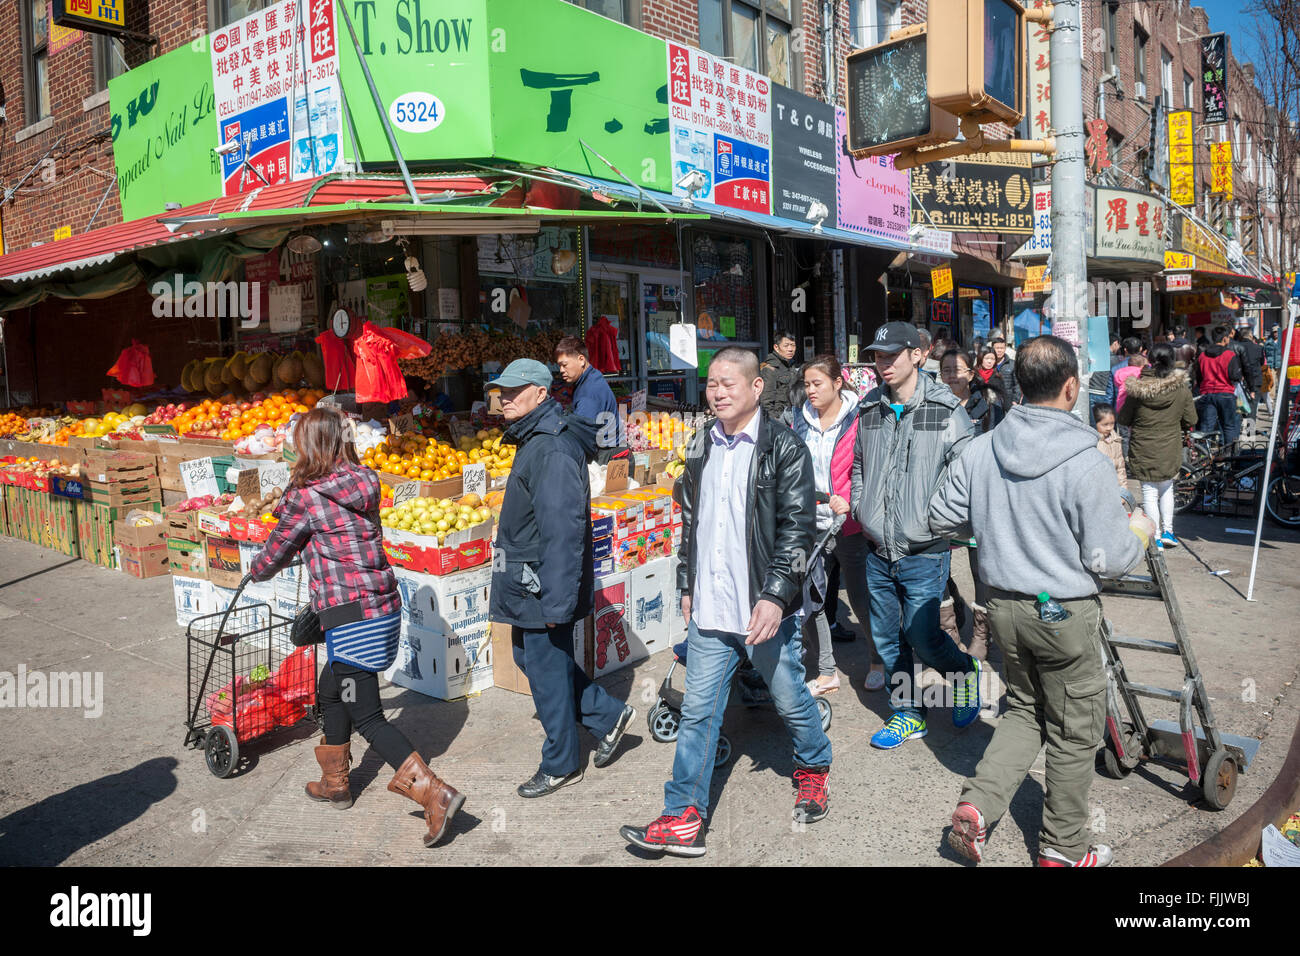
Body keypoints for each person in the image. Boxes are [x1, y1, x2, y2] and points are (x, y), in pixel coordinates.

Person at [930, 335, 1157, 867]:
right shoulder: (1086, 460)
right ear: (1072, 387)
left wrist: (992, 526)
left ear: (1017, 385)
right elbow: (1109, 557)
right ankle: (1062, 848)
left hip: (1003, 605)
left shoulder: (981, 449)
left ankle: (978, 806)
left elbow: (941, 517)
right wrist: (1142, 531)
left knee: (1025, 709)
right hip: (1063, 610)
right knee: (1075, 731)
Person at [620, 347, 831, 857]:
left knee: (789, 698)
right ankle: (682, 815)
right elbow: (692, 524)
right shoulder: (699, 445)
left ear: (756, 388)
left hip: (761, 609)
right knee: (697, 712)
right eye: (711, 384)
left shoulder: (785, 448)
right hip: (712, 608)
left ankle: (814, 766)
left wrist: (778, 597)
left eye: (728, 384)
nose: (716, 392)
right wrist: (688, 585)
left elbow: (797, 531)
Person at [248, 406, 465, 848]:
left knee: (366, 712)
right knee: (332, 687)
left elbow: (276, 552)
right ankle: (335, 783)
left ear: (308, 447)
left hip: (349, 615)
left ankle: (435, 794)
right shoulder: (365, 481)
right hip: (382, 607)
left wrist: (255, 569)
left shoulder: (306, 496)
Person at [487, 359, 636, 798]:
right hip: (528, 577)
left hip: (541, 582)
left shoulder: (550, 448)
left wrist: (556, 602)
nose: (505, 398)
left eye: (514, 391)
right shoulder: (535, 438)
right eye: (502, 391)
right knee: (529, 660)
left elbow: (564, 531)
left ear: (539, 392)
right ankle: (608, 717)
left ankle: (561, 764)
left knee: (546, 672)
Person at [850, 322, 981, 750]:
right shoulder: (870, 407)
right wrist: (860, 507)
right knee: (887, 638)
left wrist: (941, 521)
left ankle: (963, 672)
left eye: (891, 355)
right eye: (878, 356)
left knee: (923, 635)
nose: (882, 363)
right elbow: (857, 466)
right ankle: (907, 712)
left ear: (917, 355)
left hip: (925, 550)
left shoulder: (945, 410)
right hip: (876, 547)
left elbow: (967, 474)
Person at [792, 355, 886, 695]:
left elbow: (870, 468)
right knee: (810, 598)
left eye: (817, 383)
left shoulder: (859, 419)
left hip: (848, 526)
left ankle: (879, 660)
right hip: (809, 524)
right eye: (806, 384)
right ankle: (826, 670)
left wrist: (850, 502)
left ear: (837, 383)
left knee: (861, 599)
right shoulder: (798, 420)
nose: (811, 390)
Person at [938, 348, 1006, 660]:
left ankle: (982, 632)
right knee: (937, 567)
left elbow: (1002, 448)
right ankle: (950, 628)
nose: (951, 375)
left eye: (957, 369)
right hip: (942, 497)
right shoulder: (932, 406)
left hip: (981, 499)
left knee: (981, 569)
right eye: (946, 369)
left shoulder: (988, 405)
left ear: (971, 373)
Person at [1118, 344, 1197, 550]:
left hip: (1143, 446)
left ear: (1149, 359)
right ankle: (1169, 531)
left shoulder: (1137, 388)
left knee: (1149, 493)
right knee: (1167, 488)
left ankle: (1157, 537)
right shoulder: (1180, 388)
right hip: (1170, 446)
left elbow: (1124, 418)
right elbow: (1191, 419)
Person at [1190, 325, 1245, 445]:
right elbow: (1235, 376)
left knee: (1206, 427)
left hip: (1207, 394)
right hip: (1226, 394)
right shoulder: (1229, 355)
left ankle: (1204, 457)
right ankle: (1229, 457)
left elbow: (1199, 378)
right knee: (1229, 426)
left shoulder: (1202, 356)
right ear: (1225, 339)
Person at [554, 336, 617, 424]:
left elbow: (581, 432)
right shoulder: (591, 377)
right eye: (559, 366)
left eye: (564, 365)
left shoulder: (589, 393)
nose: (561, 370)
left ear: (581, 360)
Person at [759, 330, 801, 425]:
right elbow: (766, 403)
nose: (790, 349)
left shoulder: (792, 366)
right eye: (786, 346)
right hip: (779, 421)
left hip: (792, 418)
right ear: (776, 347)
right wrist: (775, 424)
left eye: (793, 345)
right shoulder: (770, 368)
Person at [1233, 328, 1265, 419]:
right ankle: (1250, 429)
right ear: (1251, 336)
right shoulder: (1258, 348)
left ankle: (1239, 426)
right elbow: (1262, 363)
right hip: (1255, 379)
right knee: (1253, 405)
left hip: (1240, 379)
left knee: (1239, 404)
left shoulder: (1236, 347)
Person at [1109, 336, 1146, 412]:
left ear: (1125, 350)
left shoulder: (1115, 369)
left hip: (1120, 408)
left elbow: (1110, 394)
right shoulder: (1147, 367)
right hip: (1141, 409)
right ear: (1140, 349)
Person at [1093, 403, 1126, 486]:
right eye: (1105, 424)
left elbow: (1121, 468)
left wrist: (1123, 488)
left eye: (1112, 423)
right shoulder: (1094, 442)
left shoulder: (1116, 440)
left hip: (1114, 486)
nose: (1109, 428)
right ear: (1095, 423)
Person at [988, 333, 1021, 405]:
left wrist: (1015, 400)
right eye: (997, 348)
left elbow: (1017, 384)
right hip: (992, 400)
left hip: (1009, 401)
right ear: (992, 348)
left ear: (1005, 348)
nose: (999, 350)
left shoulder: (1012, 364)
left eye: (1002, 348)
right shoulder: (988, 363)